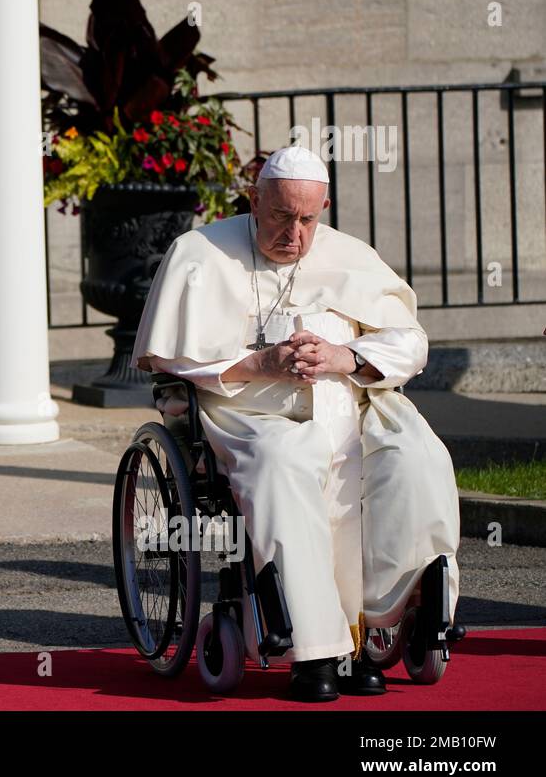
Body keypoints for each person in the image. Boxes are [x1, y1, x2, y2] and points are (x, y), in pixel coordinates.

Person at [131, 145, 461, 702]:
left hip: (350, 403)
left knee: (417, 458)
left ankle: (389, 617)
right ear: (254, 201)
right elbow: (171, 360)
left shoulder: (350, 255)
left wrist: (345, 357)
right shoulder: (200, 253)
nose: (295, 234)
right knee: (286, 464)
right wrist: (258, 363)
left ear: (324, 207)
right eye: (281, 216)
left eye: (308, 219)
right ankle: (314, 651)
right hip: (248, 409)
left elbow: (410, 341)